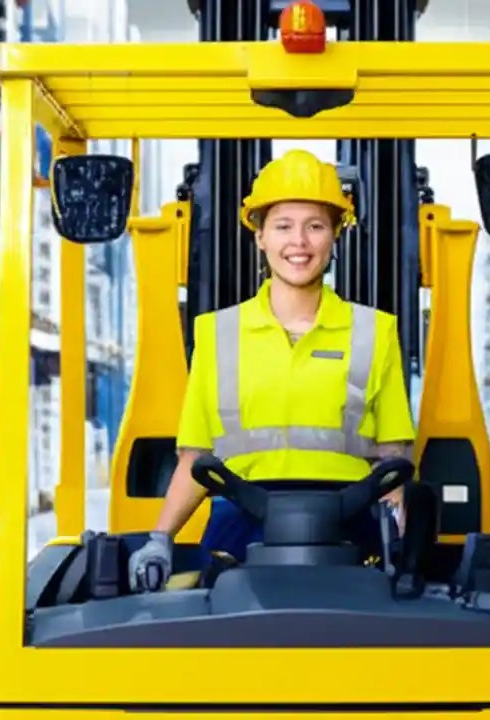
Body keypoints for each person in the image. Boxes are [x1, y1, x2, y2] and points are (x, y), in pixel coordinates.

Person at [128, 149, 418, 590]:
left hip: (347, 527)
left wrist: (397, 545)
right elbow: (195, 458)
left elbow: (393, 459)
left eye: (315, 226)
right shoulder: (216, 333)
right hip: (240, 522)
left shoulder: (374, 332)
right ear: (260, 236)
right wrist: (159, 539)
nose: (298, 242)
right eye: (283, 226)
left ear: (336, 235)